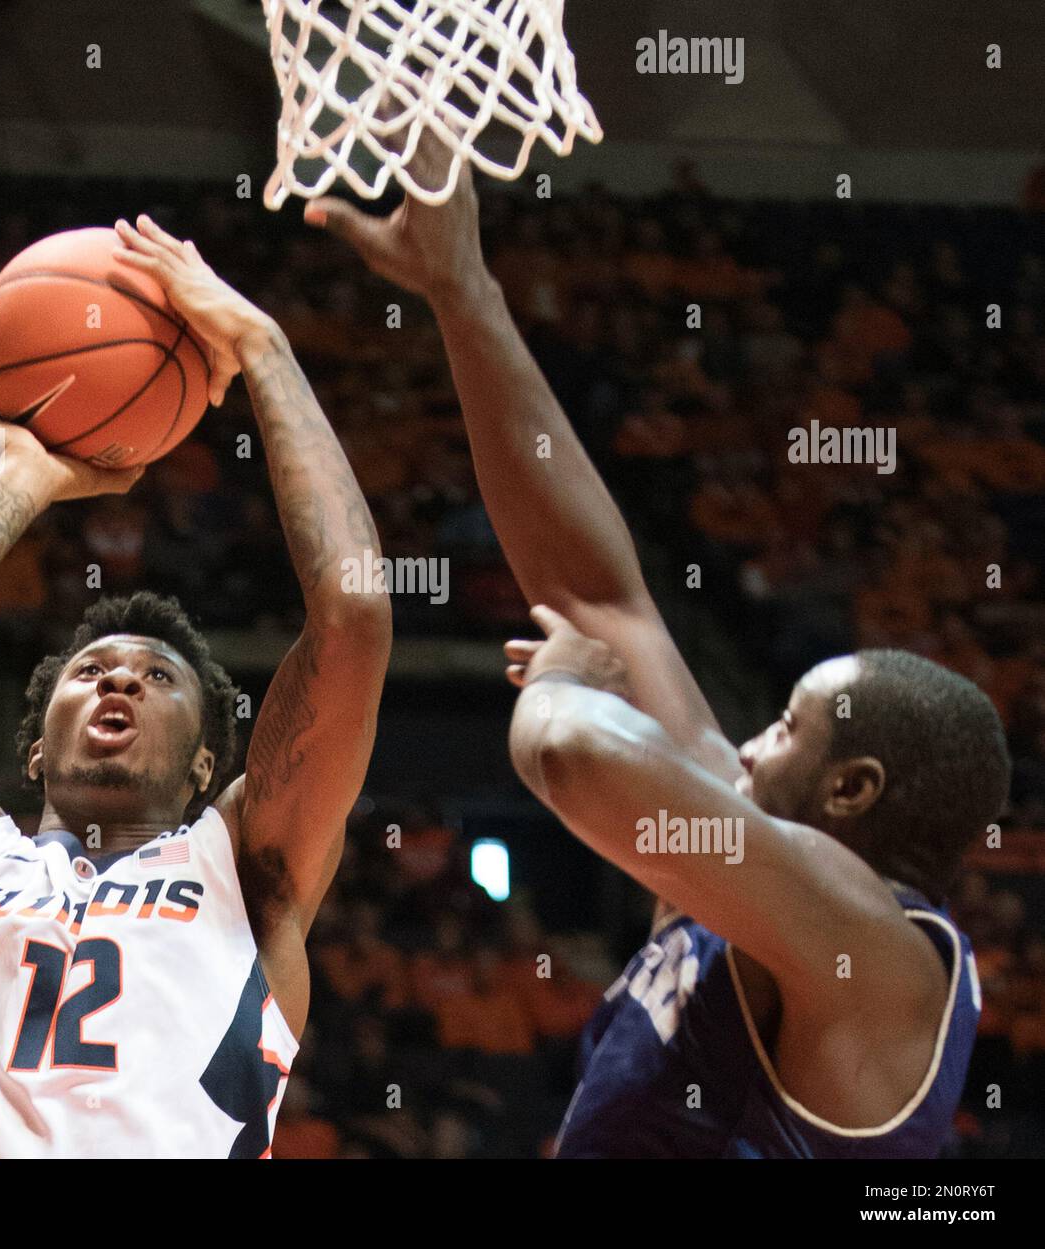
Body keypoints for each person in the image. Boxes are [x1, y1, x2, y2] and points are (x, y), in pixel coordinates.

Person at [312, 137, 1007, 1158]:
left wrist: (559, 688)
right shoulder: (735, 855)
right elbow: (596, 593)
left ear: (850, 788)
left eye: (784, 725)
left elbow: (571, 753)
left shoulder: (880, 951)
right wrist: (464, 295)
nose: (750, 744)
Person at [0, 217, 391, 1158]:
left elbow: (357, 616)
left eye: (156, 674)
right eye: (88, 671)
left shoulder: (249, 872)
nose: (119, 674)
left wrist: (264, 348)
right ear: (38, 746)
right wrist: (26, 477)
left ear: (208, 761)